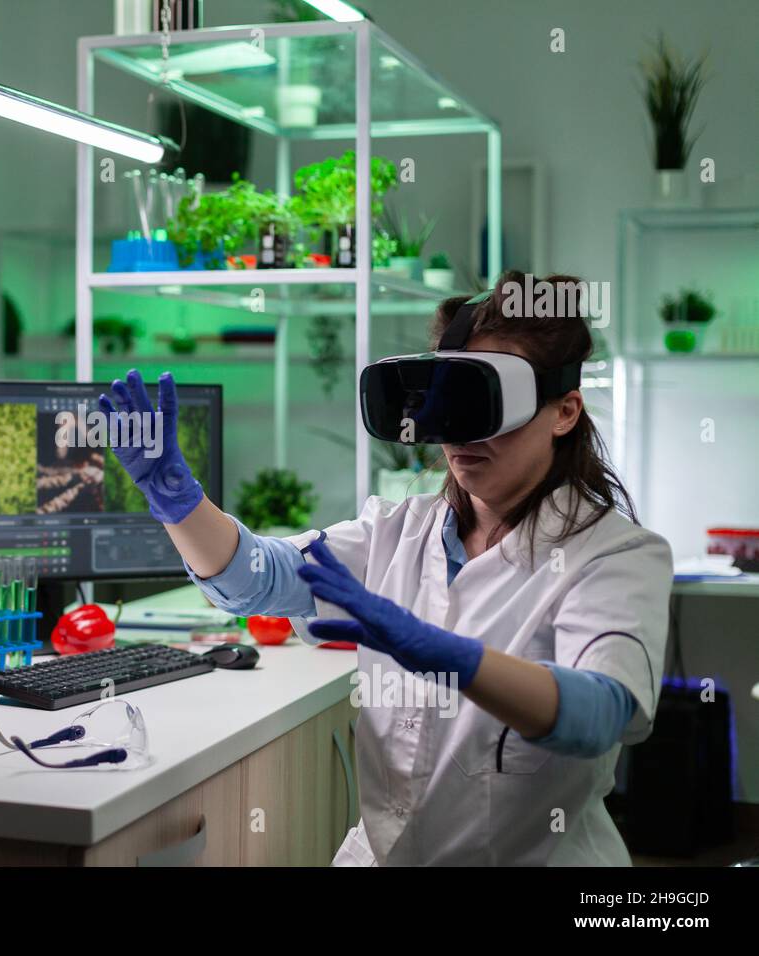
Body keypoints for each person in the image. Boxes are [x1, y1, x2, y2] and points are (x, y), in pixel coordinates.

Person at [100, 272, 672, 866]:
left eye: (486, 402)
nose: (459, 432)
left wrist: (455, 658)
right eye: (448, 399)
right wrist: (177, 499)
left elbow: (603, 714)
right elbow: (255, 579)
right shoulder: (395, 532)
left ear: (564, 412)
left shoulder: (615, 555)